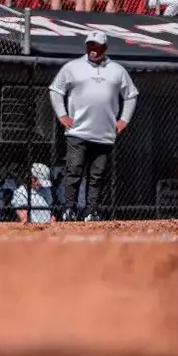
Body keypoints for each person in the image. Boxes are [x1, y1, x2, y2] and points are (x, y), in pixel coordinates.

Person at [48, 32, 139, 221]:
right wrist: (62, 114)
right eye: (90, 45)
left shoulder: (117, 70)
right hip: (77, 132)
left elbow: (131, 95)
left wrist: (124, 120)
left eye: (97, 46)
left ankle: (91, 211)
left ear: (105, 48)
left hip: (104, 133)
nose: (93, 50)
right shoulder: (72, 67)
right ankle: (69, 209)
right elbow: (56, 90)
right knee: (73, 171)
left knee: (97, 176)